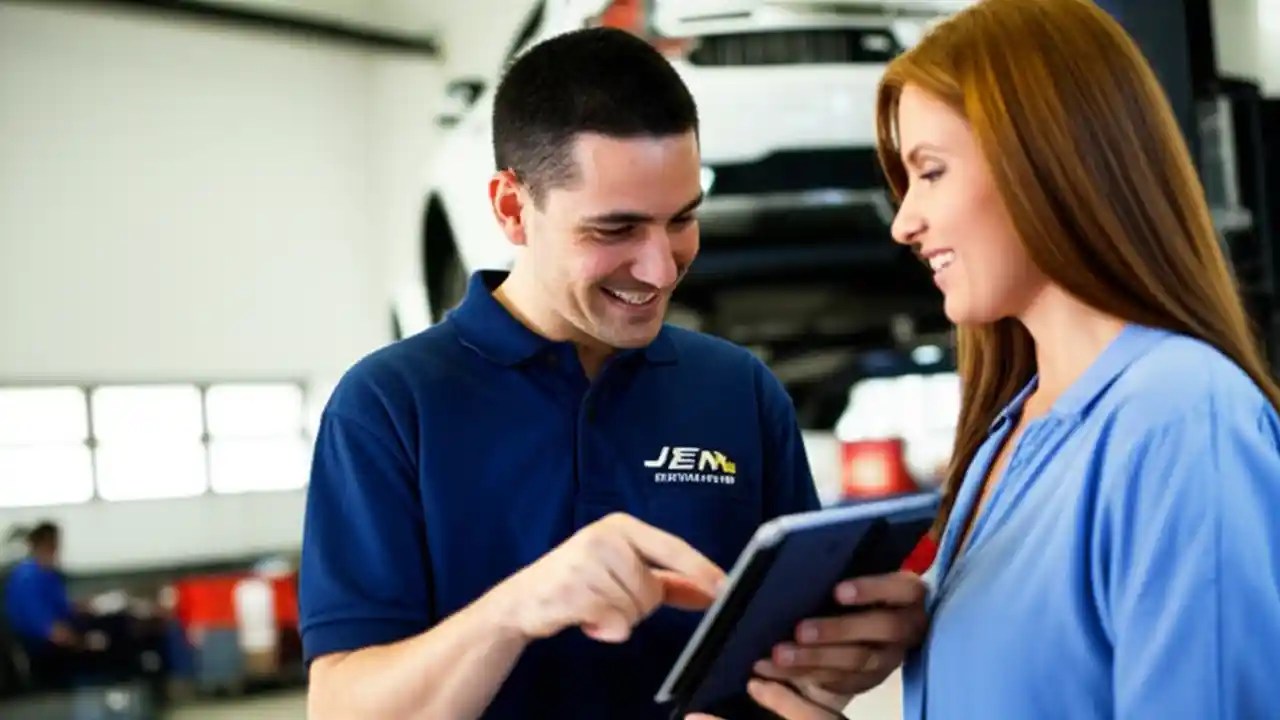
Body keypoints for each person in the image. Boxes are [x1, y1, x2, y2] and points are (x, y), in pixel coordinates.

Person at [299, 26, 927, 720]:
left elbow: (787, 660)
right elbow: (344, 709)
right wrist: (515, 609)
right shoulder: (389, 406)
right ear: (512, 207)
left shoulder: (739, 391)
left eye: (682, 219)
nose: (660, 270)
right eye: (615, 230)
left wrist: (850, 653)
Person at [697, 0, 1280, 718]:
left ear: (1047, 159)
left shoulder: (1183, 419)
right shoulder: (1004, 436)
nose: (905, 222)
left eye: (930, 172)